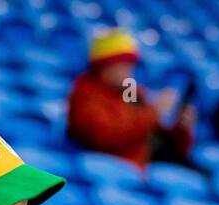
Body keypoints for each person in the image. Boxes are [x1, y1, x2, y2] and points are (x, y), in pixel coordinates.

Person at [66, 28, 195, 169]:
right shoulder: (85, 93)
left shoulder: (130, 89)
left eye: (130, 65)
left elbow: (155, 134)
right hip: (114, 168)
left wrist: (182, 129)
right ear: (103, 67)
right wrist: (154, 111)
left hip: (147, 164)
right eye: (122, 65)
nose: (128, 71)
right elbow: (107, 138)